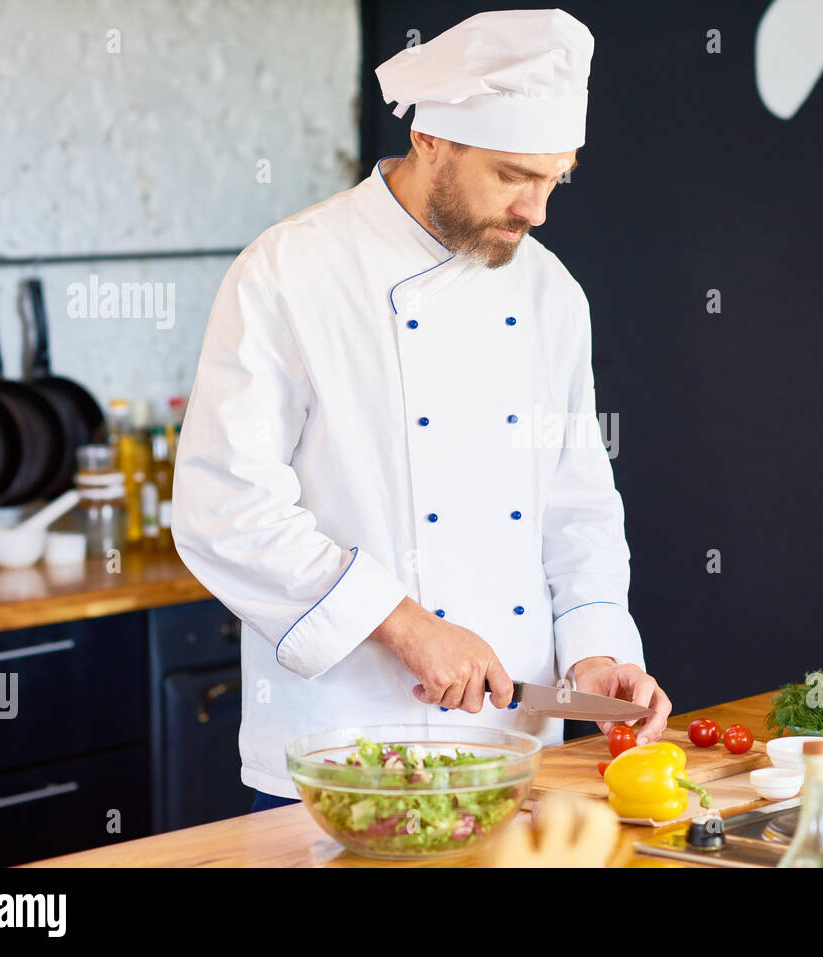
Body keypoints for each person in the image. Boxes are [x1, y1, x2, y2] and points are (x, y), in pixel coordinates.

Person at [172, 8, 671, 812]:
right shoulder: (290, 271)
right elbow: (224, 504)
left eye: (555, 178)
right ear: (431, 140)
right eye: (513, 175)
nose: (537, 209)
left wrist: (596, 654)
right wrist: (403, 623)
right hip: (338, 752)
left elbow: (576, 508)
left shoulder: (551, 294)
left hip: (510, 748)